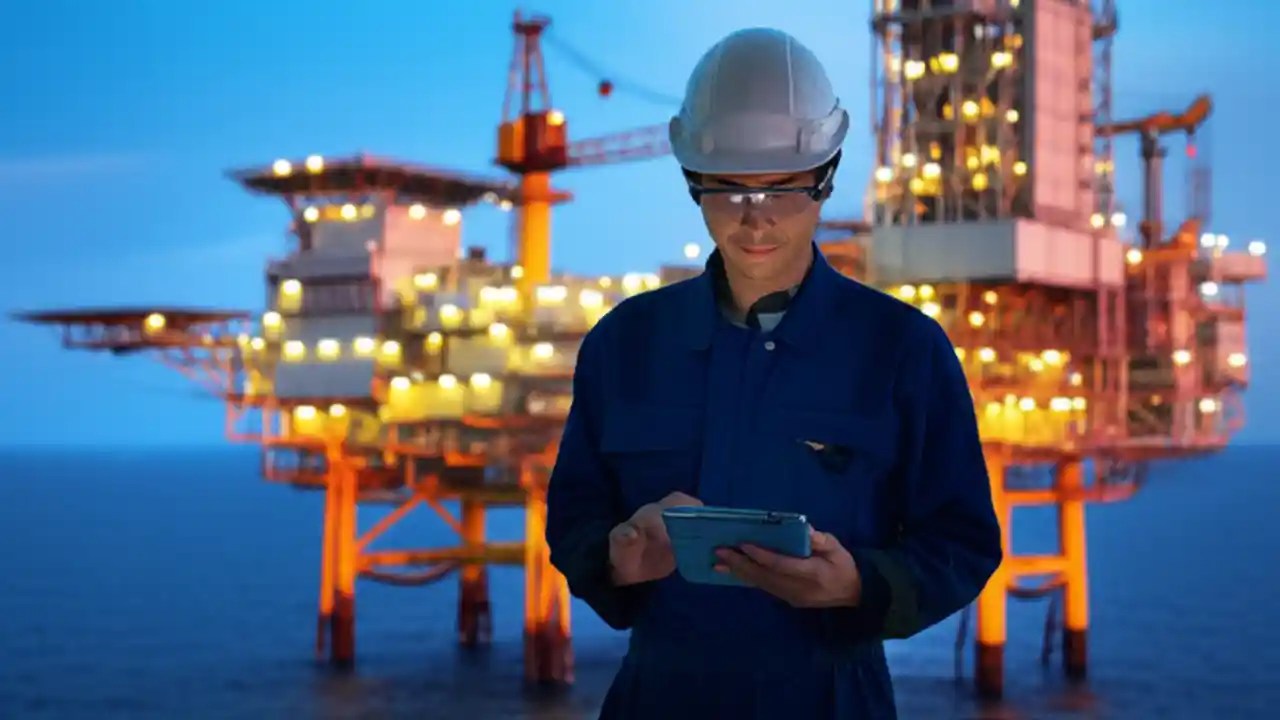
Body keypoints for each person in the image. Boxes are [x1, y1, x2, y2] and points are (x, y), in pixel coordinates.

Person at [545, 27, 1002, 719]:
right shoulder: (623, 344)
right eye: (728, 190)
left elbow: (963, 543)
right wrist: (616, 555)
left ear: (826, 179)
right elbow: (574, 516)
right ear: (692, 182)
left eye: (783, 189)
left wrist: (859, 585)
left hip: (830, 697)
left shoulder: (903, 350)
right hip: (657, 697)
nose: (755, 220)